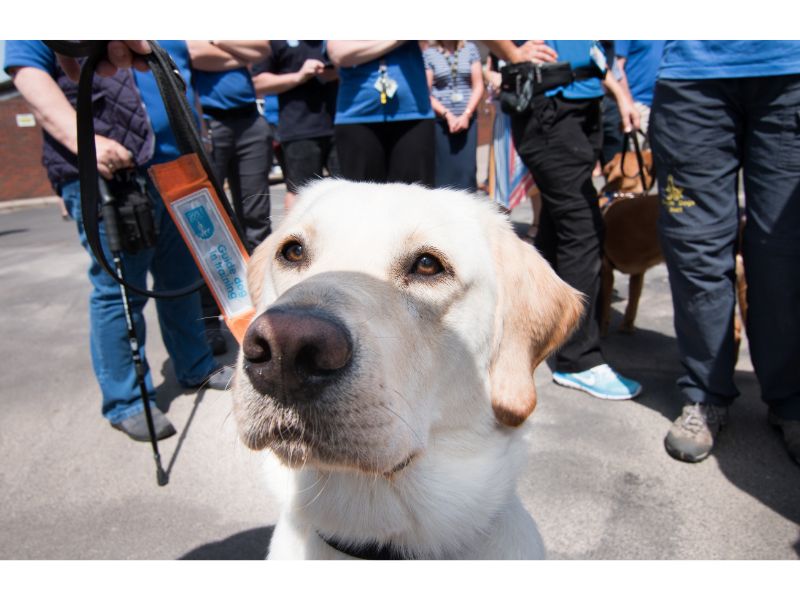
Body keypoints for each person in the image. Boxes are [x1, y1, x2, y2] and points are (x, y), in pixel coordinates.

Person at [4, 40, 233, 442]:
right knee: (119, 292)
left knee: (181, 281)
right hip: (114, 172)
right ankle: (127, 399)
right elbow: (27, 70)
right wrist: (84, 141)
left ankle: (196, 365)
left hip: (177, 170)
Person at [649, 41, 800, 465]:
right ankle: (704, 395)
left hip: (790, 70)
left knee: (784, 254)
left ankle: (790, 399)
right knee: (695, 250)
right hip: (693, 77)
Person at [485, 40, 642, 401]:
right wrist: (512, 53)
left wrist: (619, 95)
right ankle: (578, 359)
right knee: (582, 224)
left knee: (559, 223)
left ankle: (536, 325)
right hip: (547, 99)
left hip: (584, 100)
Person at [188, 41, 272, 355]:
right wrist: (239, 54)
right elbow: (189, 53)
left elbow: (261, 49)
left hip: (250, 121)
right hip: (208, 121)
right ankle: (210, 321)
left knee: (257, 221)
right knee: (206, 228)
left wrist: (217, 41)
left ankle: (263, 305)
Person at [325, 41, 435, 186]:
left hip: (414, 115)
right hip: (357, 116)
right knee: (361, 200)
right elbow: (339, 55)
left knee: (413, 202)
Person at [252, 40, 340, 211]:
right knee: (300, 194)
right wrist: (299, 76)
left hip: (340, 125)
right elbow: (258, 82)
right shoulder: (276, 41)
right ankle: (294, 237)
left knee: (347, 191)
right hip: (298, 130)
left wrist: (336, 73)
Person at [423, 40, 484, 192]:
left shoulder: (470, 49)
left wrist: (466, 114)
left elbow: (478, 85)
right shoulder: (429, 54)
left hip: (467, 121)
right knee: (444, 176)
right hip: (442, 123)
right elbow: (426, 92)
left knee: (467, 174)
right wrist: (447, 115)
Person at [614, 40, 665, 145]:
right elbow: (617, 68)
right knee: (637, 158)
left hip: (665, 105)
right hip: (638, 105)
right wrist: (628, 104)